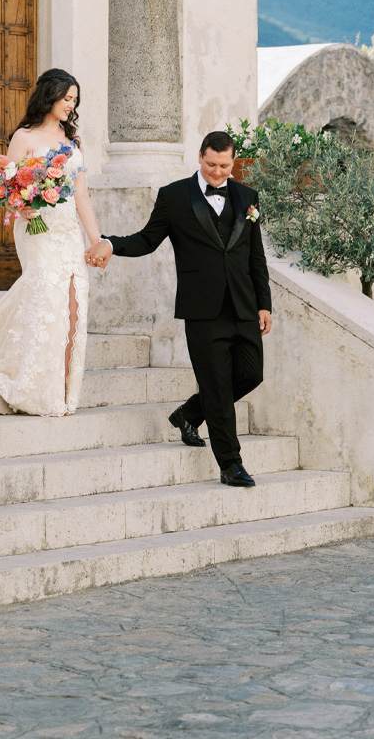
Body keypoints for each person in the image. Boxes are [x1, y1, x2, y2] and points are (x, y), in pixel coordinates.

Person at [86, 130, 272, 486]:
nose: (218, 172)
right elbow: (147, 239)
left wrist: (264, 304)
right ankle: (230, 464)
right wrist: (110, 243)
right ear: (199, 157)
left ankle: (189, 412)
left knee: (251, 375)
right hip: (202, 309)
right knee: (217, 387)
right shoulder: (174, 196)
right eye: (211, 164)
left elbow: (255, 256)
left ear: (233, 162)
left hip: (244, 306)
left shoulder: (248, 197)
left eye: (225, 165)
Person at [0, 69, 106, 417]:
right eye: (66, 99)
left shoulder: (72, 141)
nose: (70, 106)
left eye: (74, 101)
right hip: (37, 230)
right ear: (50, 97)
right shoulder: (25, 136)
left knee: (74, 309)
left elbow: (82, 198)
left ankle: (63, 391)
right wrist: (25, 206)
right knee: (47, 301)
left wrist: (96, 240)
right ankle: (38, 391)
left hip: (67, 234)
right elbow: (8, 188)